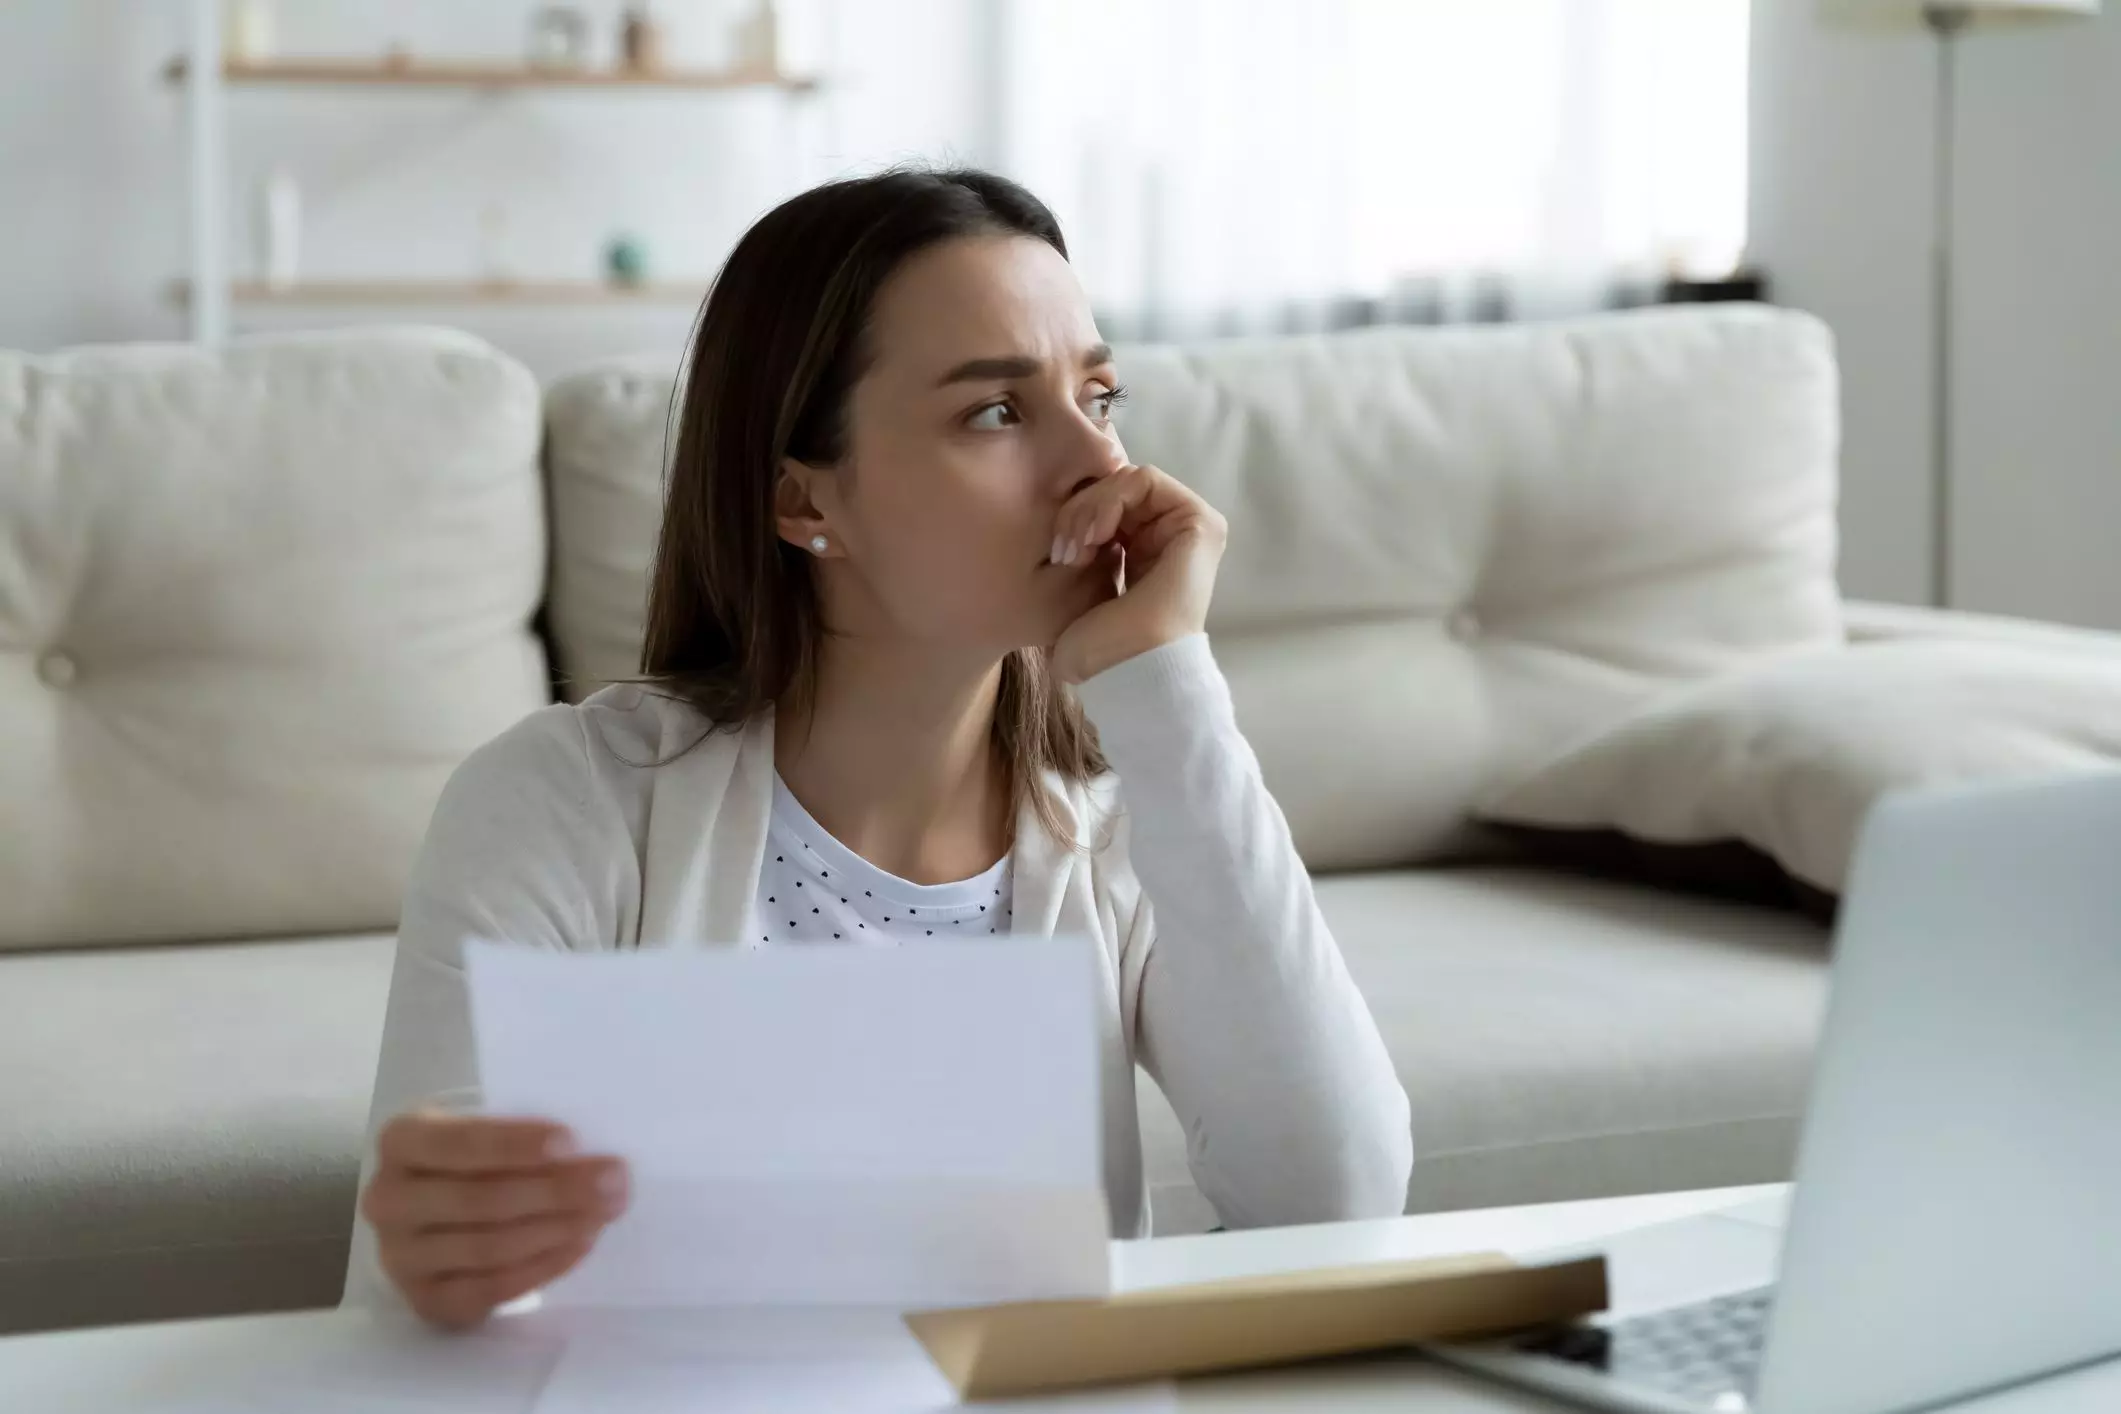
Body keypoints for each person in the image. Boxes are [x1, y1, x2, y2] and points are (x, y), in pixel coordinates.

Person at [344, 168, 1411, 1329]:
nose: (1101, 467)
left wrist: (1167, 684)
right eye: (996, 412)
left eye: (1099, 396)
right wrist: (447, 1256)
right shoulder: (560, 805)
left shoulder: (1127, 820)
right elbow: (431, 1321)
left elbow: (1339, 1197)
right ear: (808, 504)